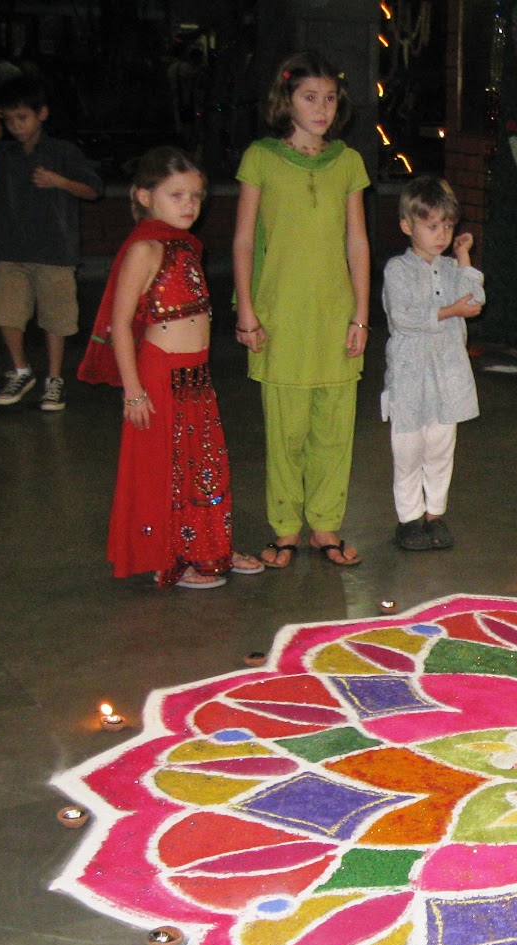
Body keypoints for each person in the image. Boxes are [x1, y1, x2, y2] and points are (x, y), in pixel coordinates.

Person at [78, 146, 263, 589]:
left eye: (196, 196)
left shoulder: (185, 246)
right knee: (168, 470)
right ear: (144, 196)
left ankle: (211, 546)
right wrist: (134, 391)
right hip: (159, 377)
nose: (189, 205)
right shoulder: (144, 249)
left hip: (196, 377)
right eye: (177, 195)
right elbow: (121, 325)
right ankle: (175, 557)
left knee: (207, 466)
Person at [233, 51, 371, 568]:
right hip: (280, 314)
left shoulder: (348, 162)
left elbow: (357, 242)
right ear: (285, 100)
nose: (322, 108)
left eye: (330, 98)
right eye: (310, 97)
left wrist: (360, 315)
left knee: (334, 426)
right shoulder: (261, 158)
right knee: (286, 429)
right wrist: (246, 309)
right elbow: (245, 240)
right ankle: (286, 528)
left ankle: (326, 525)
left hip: (335, 315)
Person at [0, 73, 103, 411]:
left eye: (23, 117)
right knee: (6, 312)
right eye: (10, 118)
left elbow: (92, 189)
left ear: (41, 114)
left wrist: (59, 181)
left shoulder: (62, 151)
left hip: (54, 251)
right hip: (11, 248)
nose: (17, 126)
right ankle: (21, 370)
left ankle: (54, 379)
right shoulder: (5, 153)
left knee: (56, 317)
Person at [381, 176, 484, 550]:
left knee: (441, 447)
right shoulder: (398, 269)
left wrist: (463, 257)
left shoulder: (450, 266)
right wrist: (449, 311)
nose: (441, 234)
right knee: (409, 449)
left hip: (448, 375)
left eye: (448, 225)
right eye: (431, 225)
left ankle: (434, 514)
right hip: (411, 377)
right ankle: (409, 518)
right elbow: (404, 316)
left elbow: (474, 301)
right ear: (408, 226)